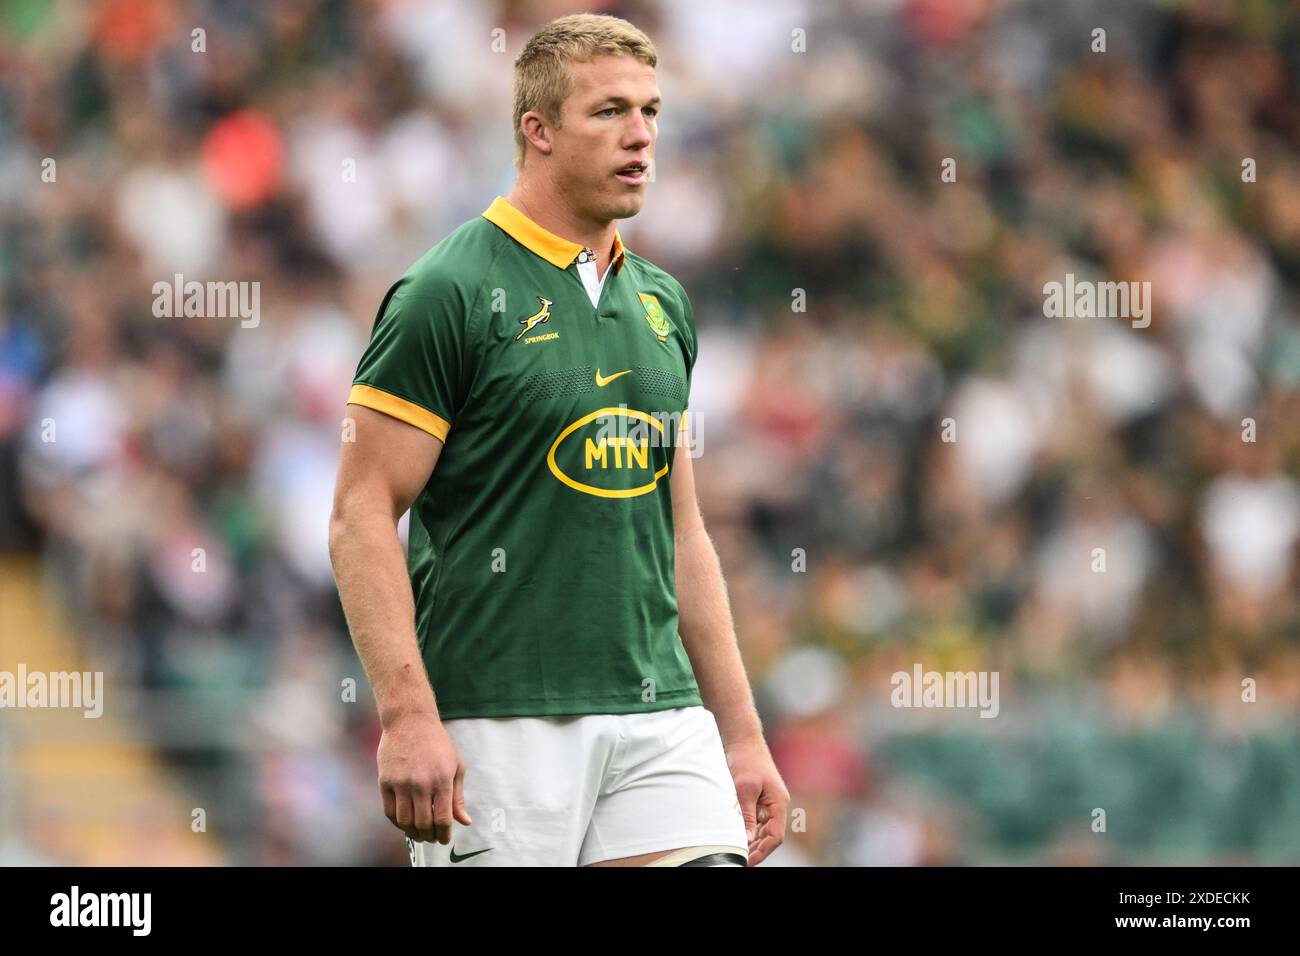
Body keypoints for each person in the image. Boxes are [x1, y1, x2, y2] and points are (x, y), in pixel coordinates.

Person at [329, 12, 788, 867]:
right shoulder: (446, 291)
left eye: (651, 112)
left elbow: (682, 532)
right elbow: (361, 515)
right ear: (536, 132)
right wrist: (407, 716)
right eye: (610, 112)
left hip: (660, 715)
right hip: (499, 716)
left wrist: (745, 733)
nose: (641, 136)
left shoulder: (664, 305)